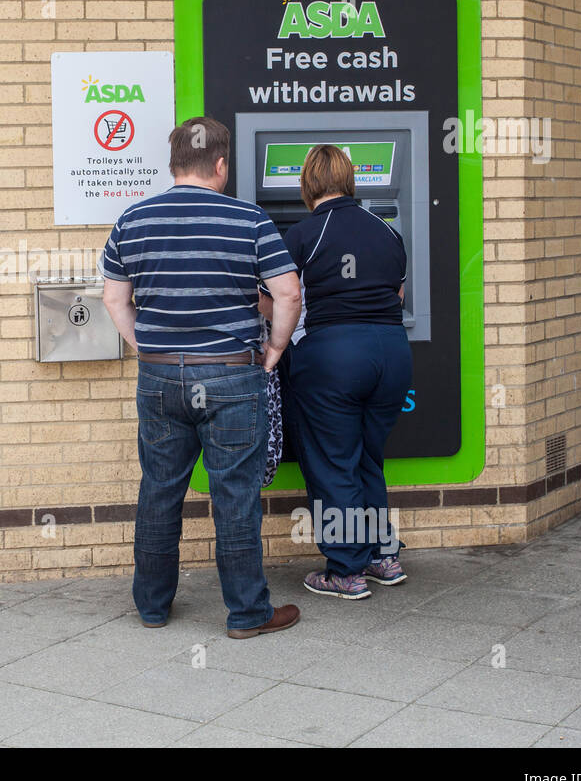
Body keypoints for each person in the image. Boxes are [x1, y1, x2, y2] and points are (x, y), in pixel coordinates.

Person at [99, 116, 303, 638]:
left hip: (161, 377)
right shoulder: (250, 220)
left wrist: (148, 347)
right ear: (219, 164)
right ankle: (246, 614)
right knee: (234, 496)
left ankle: (151, 605)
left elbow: (114, 299)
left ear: (173, 165)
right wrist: (275, 348)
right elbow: (288, 294)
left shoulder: (132, 220)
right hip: (233, 376)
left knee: (160, 490)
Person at [275, 144, 414, 600]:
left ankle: (346, 569)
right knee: (366, 457)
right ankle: (381, 556)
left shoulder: (303, 234)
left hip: (335, 357)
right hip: (392, 354)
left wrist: (277, 342)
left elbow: (280, 298)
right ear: (351, 180)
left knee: (334, 463)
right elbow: (396, 297)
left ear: (307, 184)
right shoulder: (388, 231)